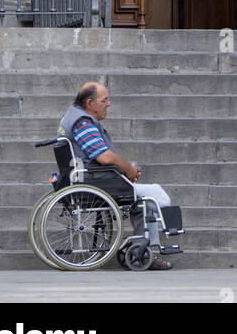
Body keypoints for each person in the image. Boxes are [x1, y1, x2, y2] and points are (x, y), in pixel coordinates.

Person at [58, 81, 176, 270]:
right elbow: (104, 157)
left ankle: (140, 248)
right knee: (157, 195)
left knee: (142, 200)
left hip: (92, 179)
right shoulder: (82, 122)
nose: (109, 104)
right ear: (90, 103)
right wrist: (128, 169)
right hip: (96, 181)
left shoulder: (72, 117)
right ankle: (144, 250)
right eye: (105, 100)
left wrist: (124, 171)